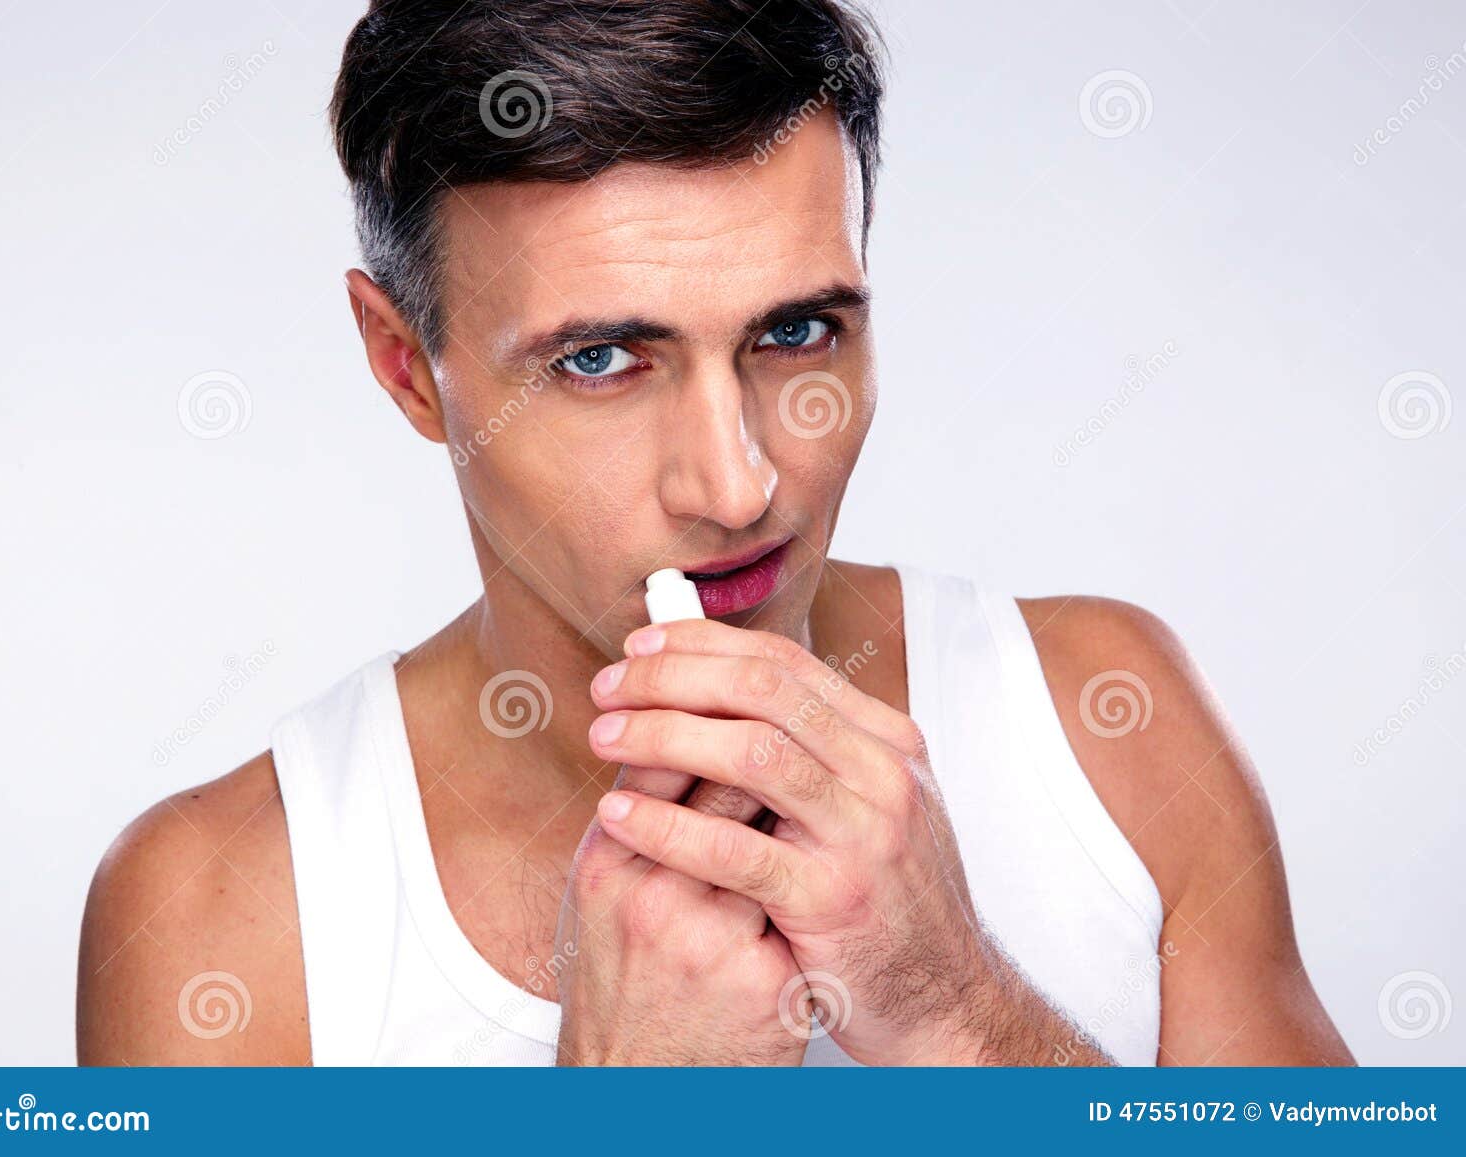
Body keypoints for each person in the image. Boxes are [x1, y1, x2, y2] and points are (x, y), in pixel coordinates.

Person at [77, 0, 1353, 1067]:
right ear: (407, 367)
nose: (738, 487)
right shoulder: (222, 915)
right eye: (599, 359)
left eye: (795, 333)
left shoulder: (1109, 720)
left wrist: (959, 1014)